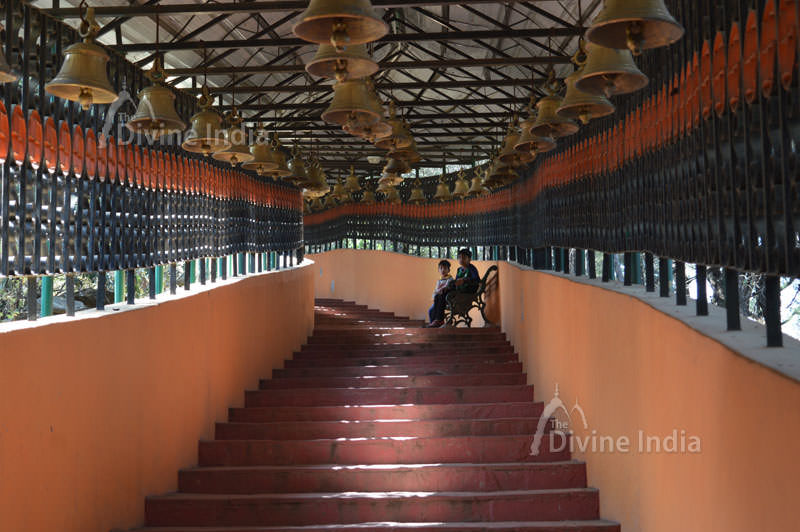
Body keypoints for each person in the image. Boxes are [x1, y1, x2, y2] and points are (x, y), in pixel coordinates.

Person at [426, 249, 480, 327]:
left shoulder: (472, 268)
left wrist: (465, 280)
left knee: (444, 294)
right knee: (439, 295)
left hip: (466, 293)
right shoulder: (459, 270)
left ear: (469, 259)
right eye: (459, 257)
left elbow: (477, 280)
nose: (461, 259)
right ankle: (437, 320)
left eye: (464, 257)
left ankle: (439, 320)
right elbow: (455, 282)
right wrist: (448, 287)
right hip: (458, 290)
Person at [427, 260, 453, 327]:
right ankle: (433, 323)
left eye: (445, 268)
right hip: (438, 299)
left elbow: (447, 286)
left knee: (434, 308)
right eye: (441, 268)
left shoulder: (450, 278)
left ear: (448, 270)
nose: (443, 270)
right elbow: (436, 290)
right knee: (430, 311)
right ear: (438, 270)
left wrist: (441, 289)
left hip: (445, 298)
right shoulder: (439, 280)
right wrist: (435, 295)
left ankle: (438, 320)